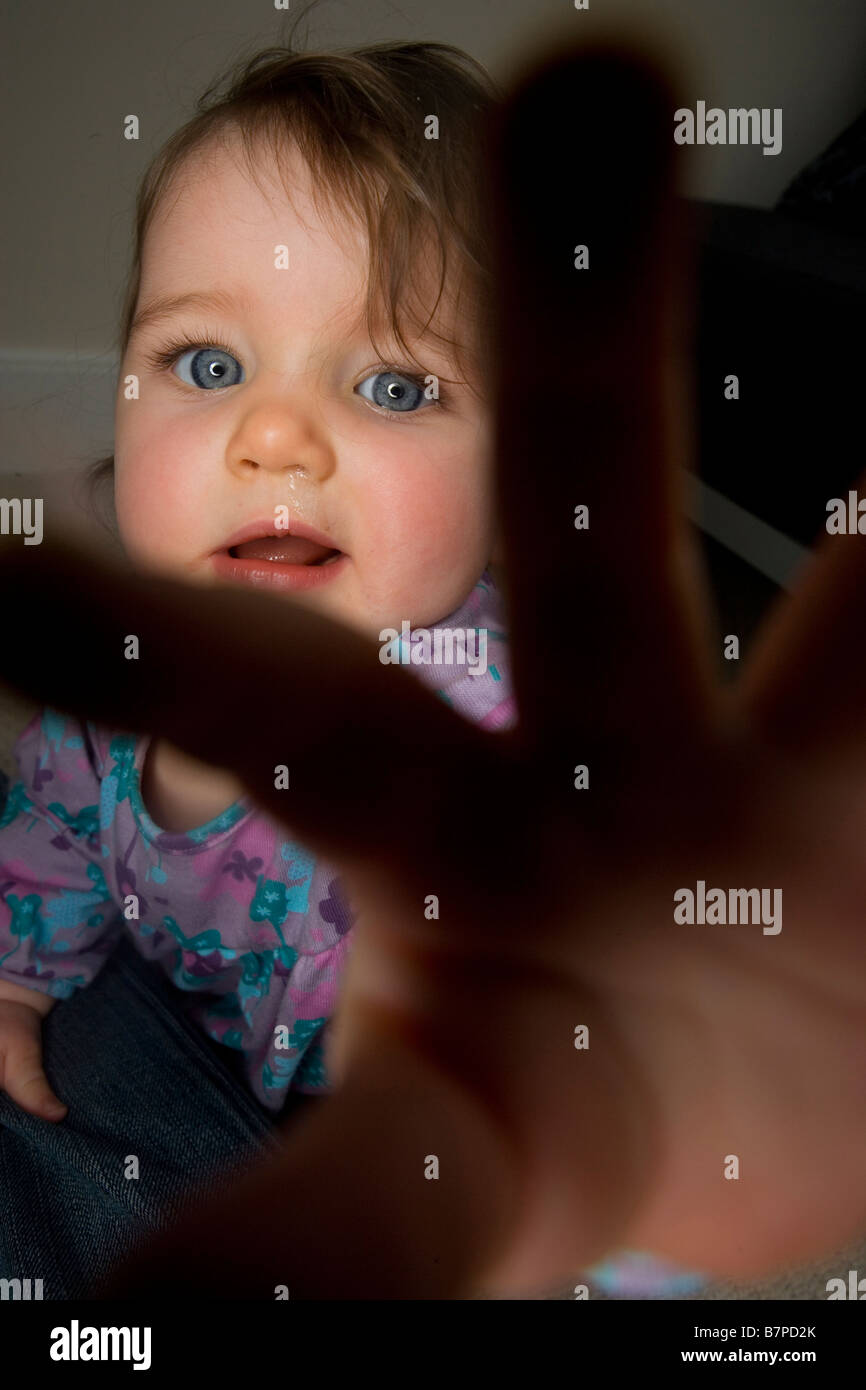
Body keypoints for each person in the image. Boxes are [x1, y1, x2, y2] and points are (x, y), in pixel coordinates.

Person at [2, 31, 865, 1302]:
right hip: (182, 1046)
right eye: (207, 364)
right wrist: (20, 977)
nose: (274, 435)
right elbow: (53, 838)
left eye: (395, 386)